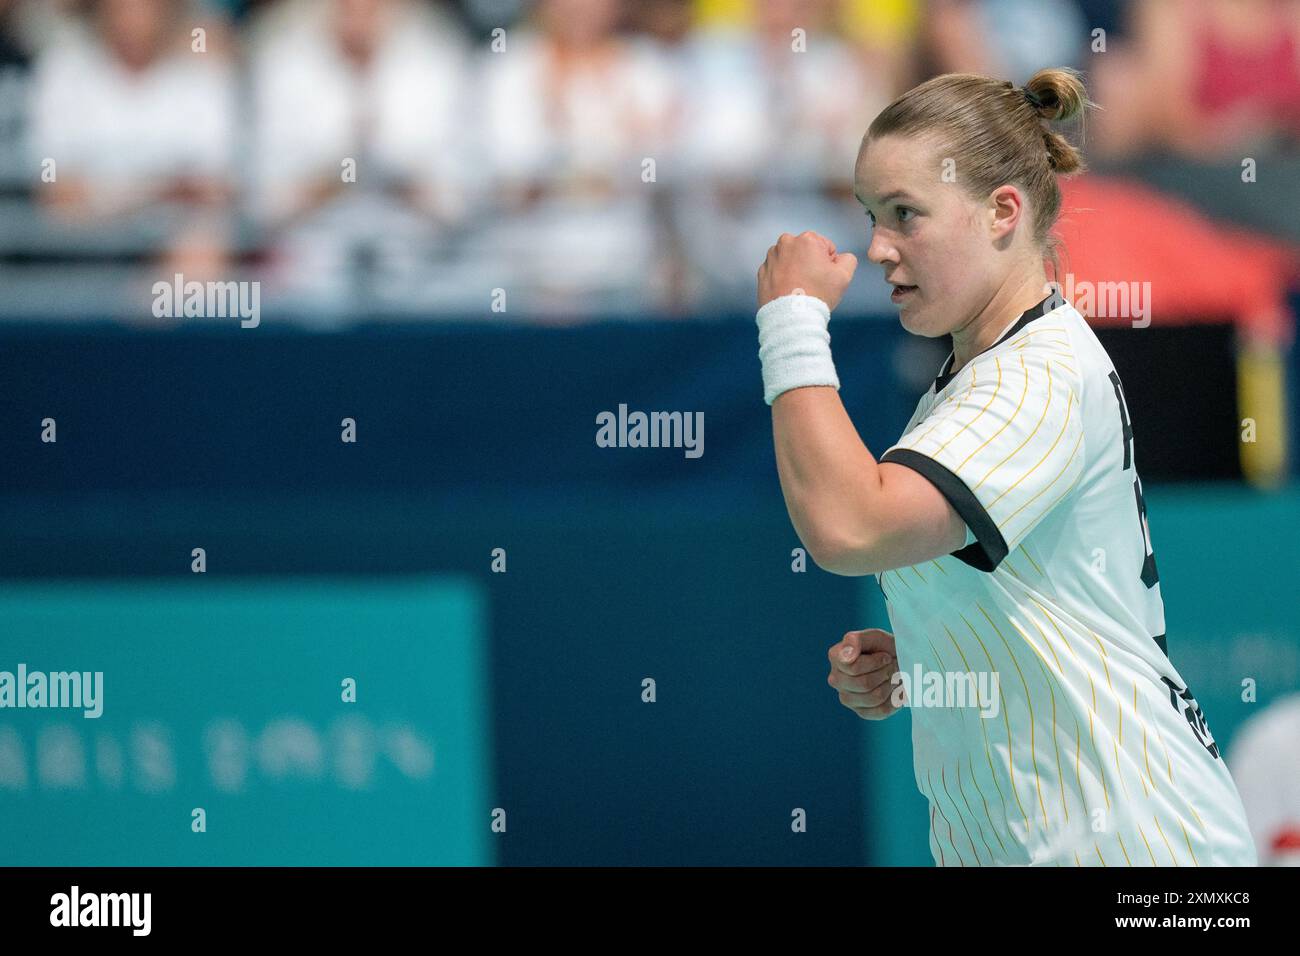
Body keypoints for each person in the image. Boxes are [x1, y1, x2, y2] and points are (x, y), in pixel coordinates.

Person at [753, 67, 1257, 865]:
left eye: (905, 215)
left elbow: (852, 525)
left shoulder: (1039, 375)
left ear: (1002, 213)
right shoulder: (972, 384)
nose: (878, 247)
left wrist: (789, 322)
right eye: (871, 216)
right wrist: (931, 652)